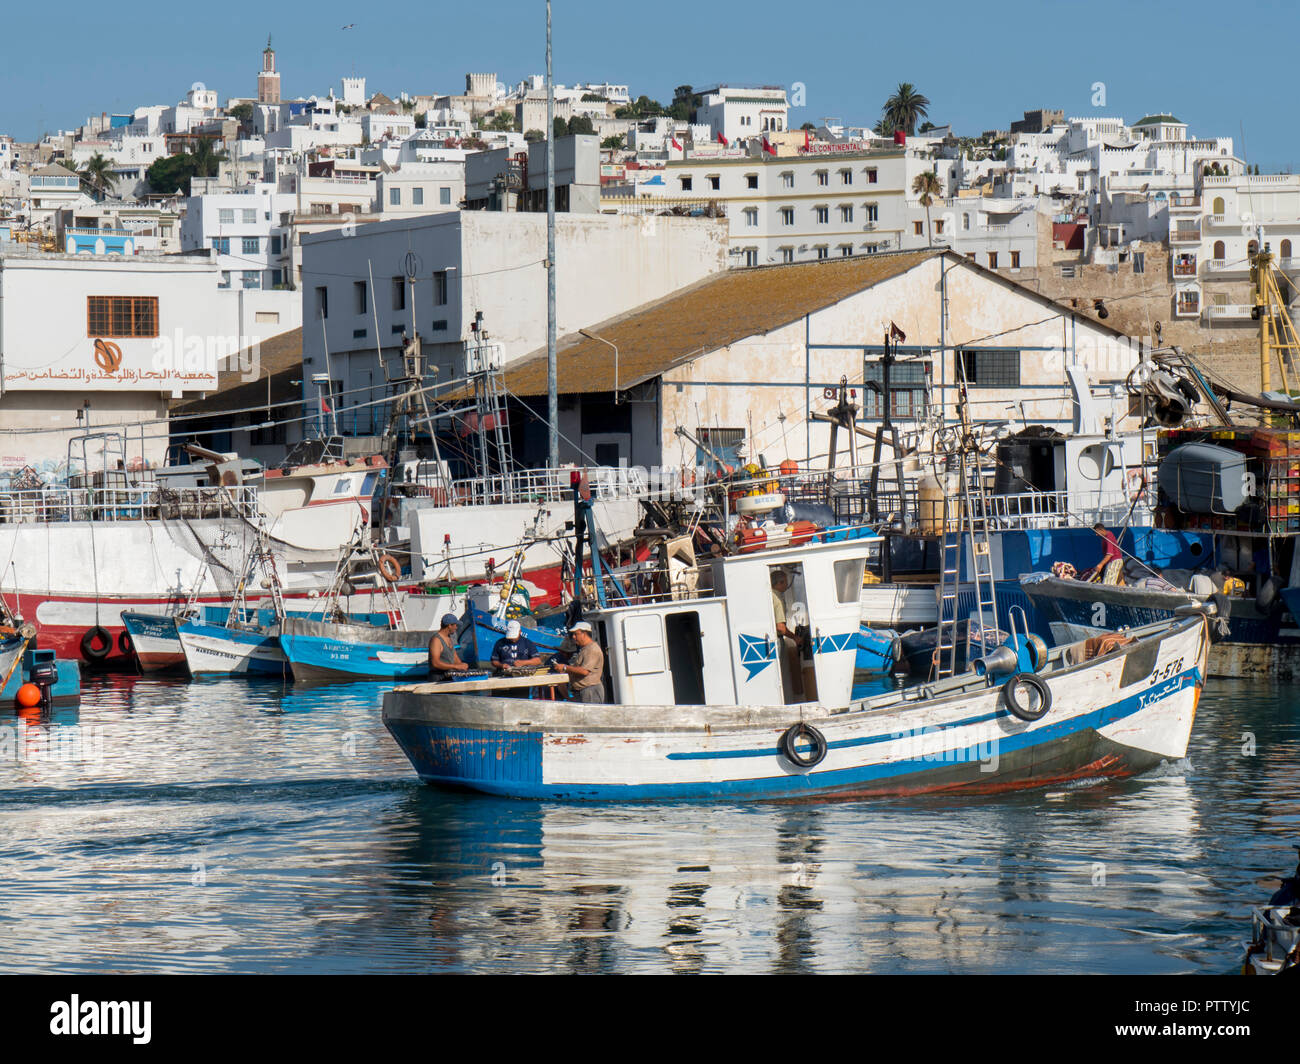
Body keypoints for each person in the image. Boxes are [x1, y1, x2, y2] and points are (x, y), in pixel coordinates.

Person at [555, 620, 605, 703]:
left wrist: (564, 667)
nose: (574, 637)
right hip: (584, 691)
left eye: (576, 634)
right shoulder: (585, 649)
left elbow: (584, 671)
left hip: (590, 691)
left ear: (584, 634)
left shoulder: (592, 649)